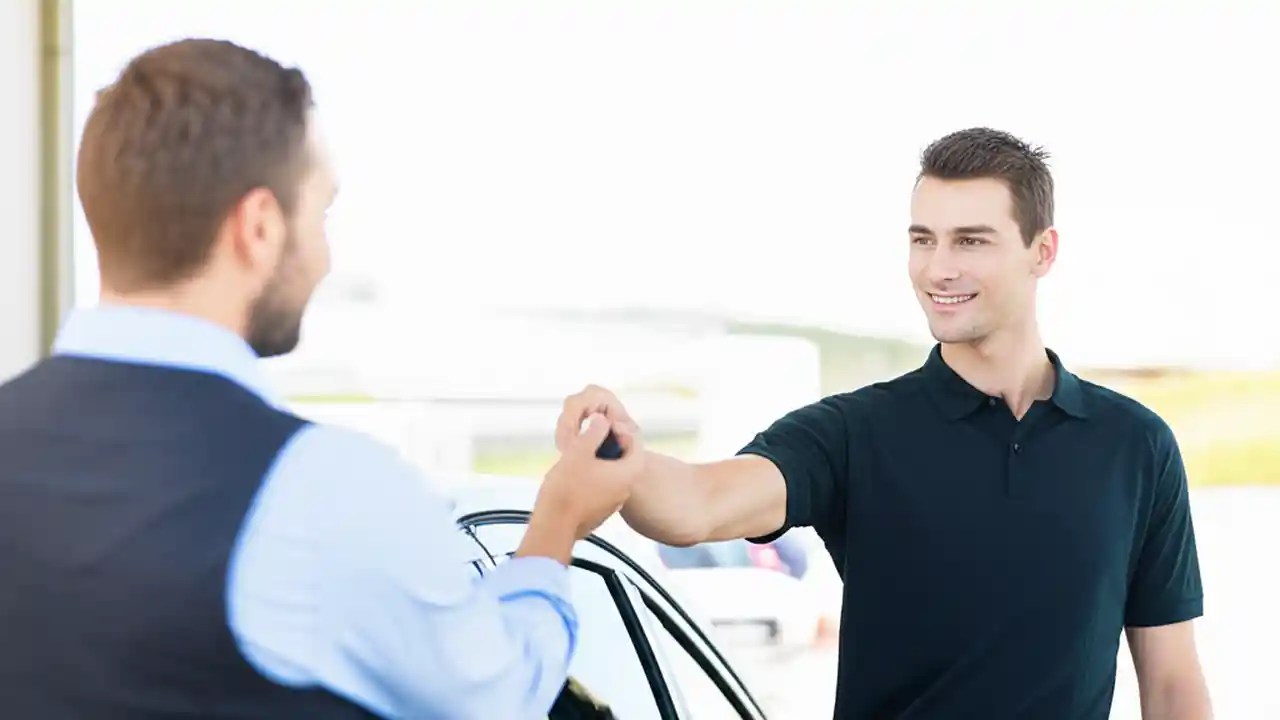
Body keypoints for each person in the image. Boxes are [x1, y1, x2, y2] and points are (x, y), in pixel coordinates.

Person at [0, 38, 644, 719]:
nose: (326, 258)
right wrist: (559, 521)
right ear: (258, 227)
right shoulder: (320, 488)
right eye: (321, 213)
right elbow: (499, 697)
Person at [558, 128, 1212, 719]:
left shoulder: (1135, 446)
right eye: (923, 239)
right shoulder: (855, 434)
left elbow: (1171, 683)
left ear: (1042, 252)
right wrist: (621, 454)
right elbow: (696, 507)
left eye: (970, 241)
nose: (938, 268)